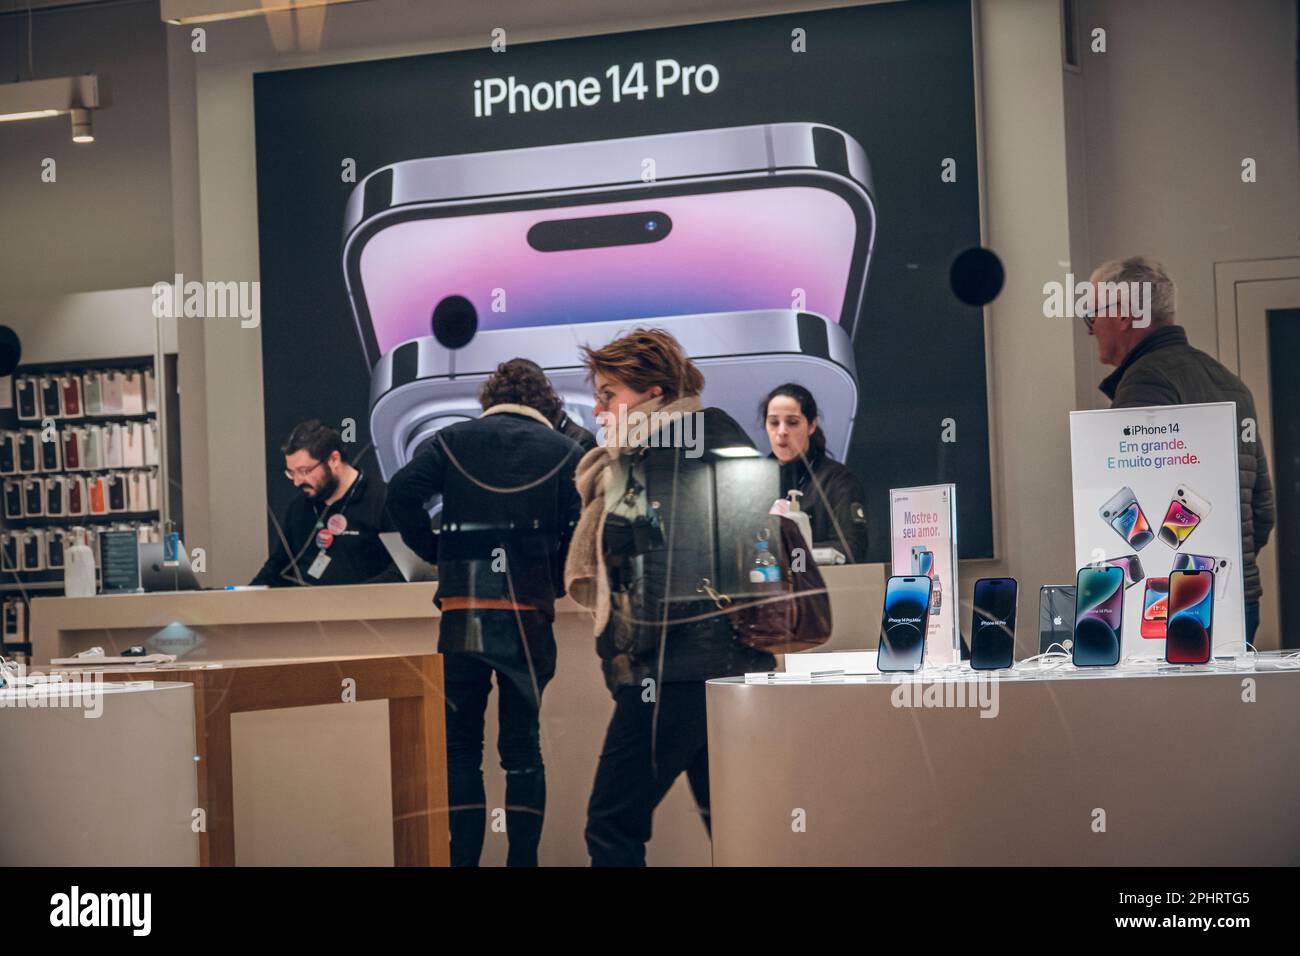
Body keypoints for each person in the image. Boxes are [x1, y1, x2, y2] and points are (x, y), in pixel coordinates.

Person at [565, 328, 777, 867]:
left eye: (610, 393)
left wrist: (630, 661)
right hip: (738, 667)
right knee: (737, 824)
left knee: (612, 825)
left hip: (669, 671)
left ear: (652, 392)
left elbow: (658, 575)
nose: (599, 408)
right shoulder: (724, 436)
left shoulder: (651, 455)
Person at [386, 359, 582, 867]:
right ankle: (523, 861)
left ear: (490, 398)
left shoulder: (453, 441)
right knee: (522, 751)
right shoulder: (565, 452)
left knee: (458, 749)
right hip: (526, 616)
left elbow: (400, 493)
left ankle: (463, 860)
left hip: (462, 611)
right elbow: (582, 530)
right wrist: (554, 577)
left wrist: (434, 551)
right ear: (546, 404)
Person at [1085, 256, 1275, 646]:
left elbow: (1126, 509)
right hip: (1237, 594)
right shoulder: (1232, 383)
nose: (1091, 331)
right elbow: (1262, 511)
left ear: (1123, 315)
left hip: (1170, 601)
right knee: (1225, 707)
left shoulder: (1145, 383)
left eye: (1092, 316)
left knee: (1173, 709)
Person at [251, 419, 398, 587]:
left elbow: (402, 570)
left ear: (334, 460)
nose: (297, 482)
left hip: (369, 608)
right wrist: (244, 599)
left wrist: (353, 599)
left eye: (304, 471)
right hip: (306, 609)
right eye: (291, 473)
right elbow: (278, 566)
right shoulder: (300, 507)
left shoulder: (385, 500)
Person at [761, 383, 869, 562]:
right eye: (773, 422)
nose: (781, 432)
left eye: (792, 422)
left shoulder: (838, 480)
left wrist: (789, 553)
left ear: (811, 425)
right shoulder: (752, 482)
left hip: (824, 586)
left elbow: (852, 548)